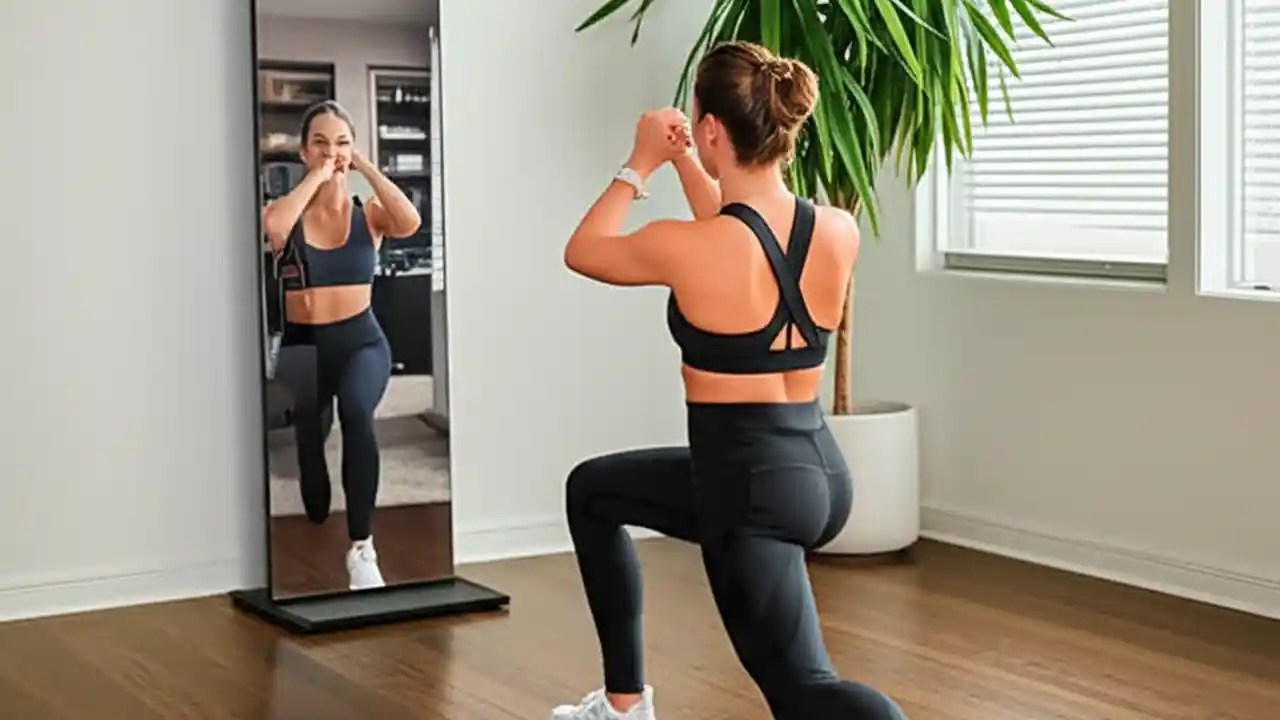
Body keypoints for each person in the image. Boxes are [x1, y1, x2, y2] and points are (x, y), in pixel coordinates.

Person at [555, 42, 907, 720]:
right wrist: (688, 159)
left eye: (698, 123)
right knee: (592, 490)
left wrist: (640, 163)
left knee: (805, 693)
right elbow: (741, 232)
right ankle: (624, 707)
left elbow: (584, 251)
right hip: (819, 473)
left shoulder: (687, 246)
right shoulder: (836, 229)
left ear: (714, 127)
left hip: (748, 490)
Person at [261, 99, 422, 591]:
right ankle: (316, 490)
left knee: (356, 411)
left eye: (341, 142)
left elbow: (410, 222)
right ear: (304, 151)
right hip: (304, 348)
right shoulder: (287, 212)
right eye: (320, 143)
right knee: (312, 470)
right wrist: (318, 175)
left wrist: (364, 166)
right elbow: (274, 229)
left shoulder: (368, 214)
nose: (331, 152)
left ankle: (362, 549)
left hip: (361, 343)